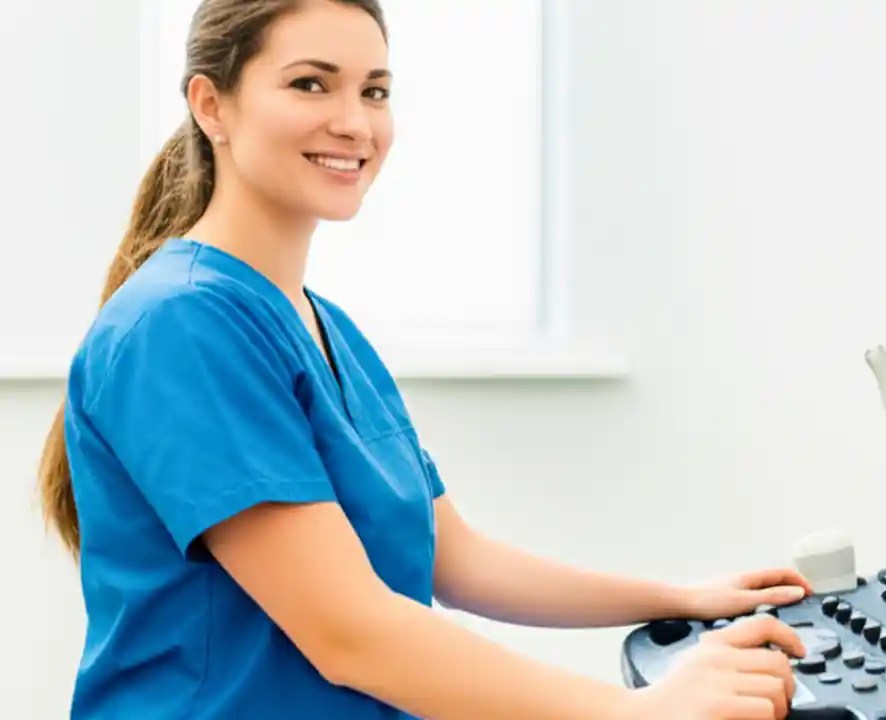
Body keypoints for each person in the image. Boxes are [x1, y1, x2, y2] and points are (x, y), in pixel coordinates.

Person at [36, 1, 814, 718]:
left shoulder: (322, 326)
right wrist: (641, 710)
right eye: (311, 84)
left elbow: (455, 557)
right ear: (212, 106)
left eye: (374, 92)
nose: (354, 123)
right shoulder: (180, 326)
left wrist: (677, 595)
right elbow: (351, 635)